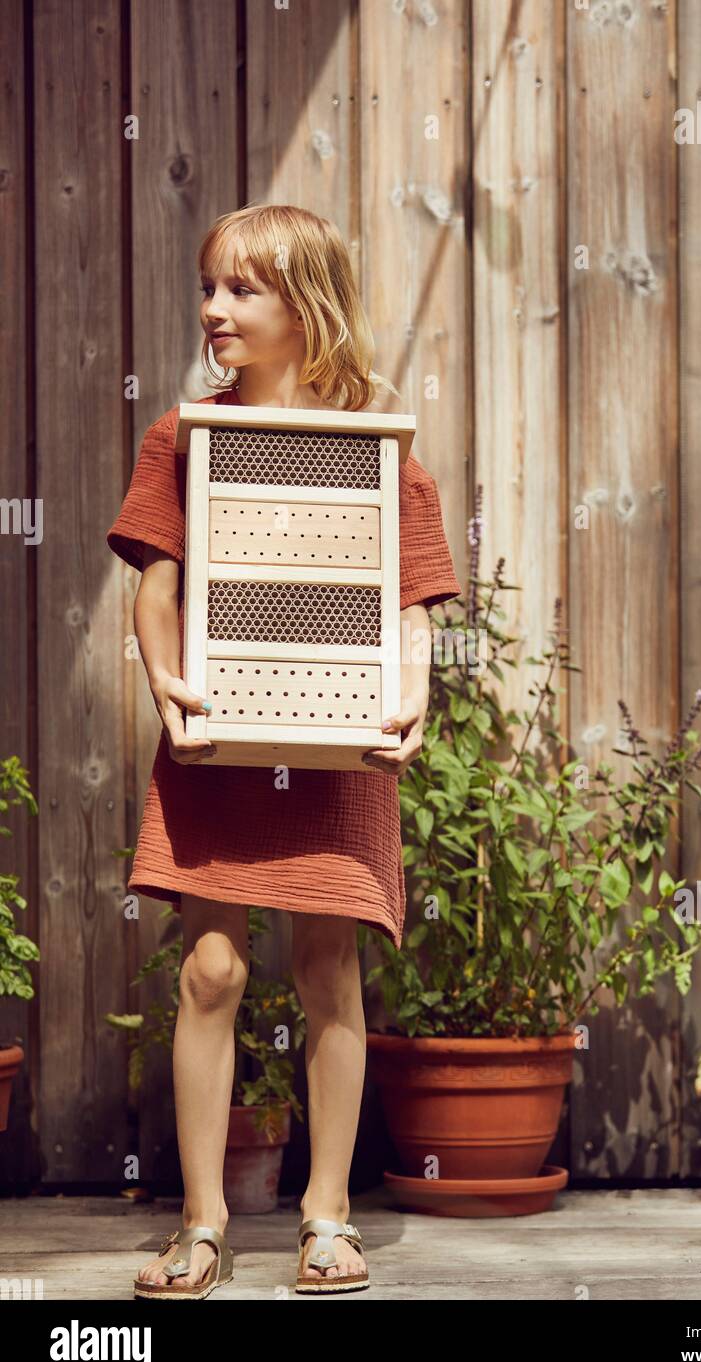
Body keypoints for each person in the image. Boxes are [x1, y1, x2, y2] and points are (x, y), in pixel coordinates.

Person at [106, 204, 461, 1298]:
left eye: (241, 290)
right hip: (220, 736)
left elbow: (409, 604)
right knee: (210, 969)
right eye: (207, 288)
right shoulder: (181, 439)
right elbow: (157, 588)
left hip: (336, 748)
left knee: (326, 968)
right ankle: (203, 1224)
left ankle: (327, 1216)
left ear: (306, 307)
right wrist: (166, 679)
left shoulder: (380, 452)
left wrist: (412, 690)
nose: (213, 309)